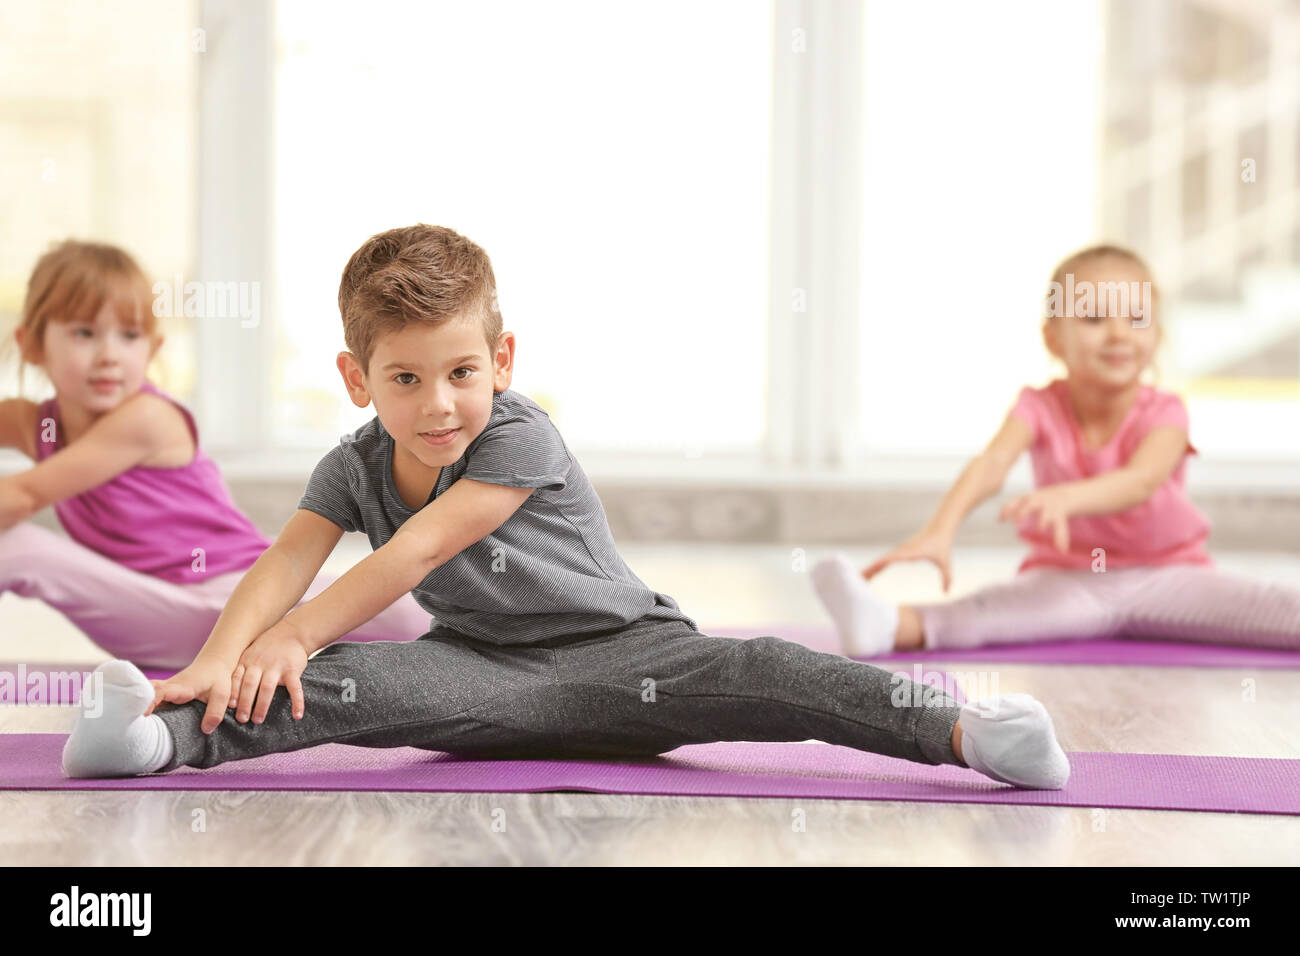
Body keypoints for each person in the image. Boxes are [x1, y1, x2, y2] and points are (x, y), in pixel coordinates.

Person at [61, 224, 1070, 790]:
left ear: (502, 359)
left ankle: (969, 734)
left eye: (461, 370)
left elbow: (412, 555)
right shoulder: (352, 461)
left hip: (633, 659)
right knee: (347, 683)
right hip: (482, 677)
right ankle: (157, 739)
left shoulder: (518, 434)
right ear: (357, 377)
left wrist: (288, 633)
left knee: (773, 669)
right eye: (404, 379)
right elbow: (284, 558)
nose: (438, 402)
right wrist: (218, 661)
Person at [813, 244, 1300, 657]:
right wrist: (941, 528)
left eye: (1136, 318)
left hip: (1171, 575)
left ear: (1156, 336)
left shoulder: (1166, 411)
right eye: (1093, 318)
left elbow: (1141, 480)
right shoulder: (1039, 405)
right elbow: (993, 463)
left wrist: (1067, 499)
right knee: (985, 613)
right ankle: (882, 624)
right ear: (1054, 338)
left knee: (1275, 608)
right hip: (1070, 581)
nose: (1117, 333)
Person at [0, 239, 429, 670]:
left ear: (151, 349)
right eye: (84, 333)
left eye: (128, 335)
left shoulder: (146, 418)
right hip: (160, 610)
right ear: (32, 345)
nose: (109, 355)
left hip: (233, 603)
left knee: (413, 607)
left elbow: (22, 497)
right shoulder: (33, 422)